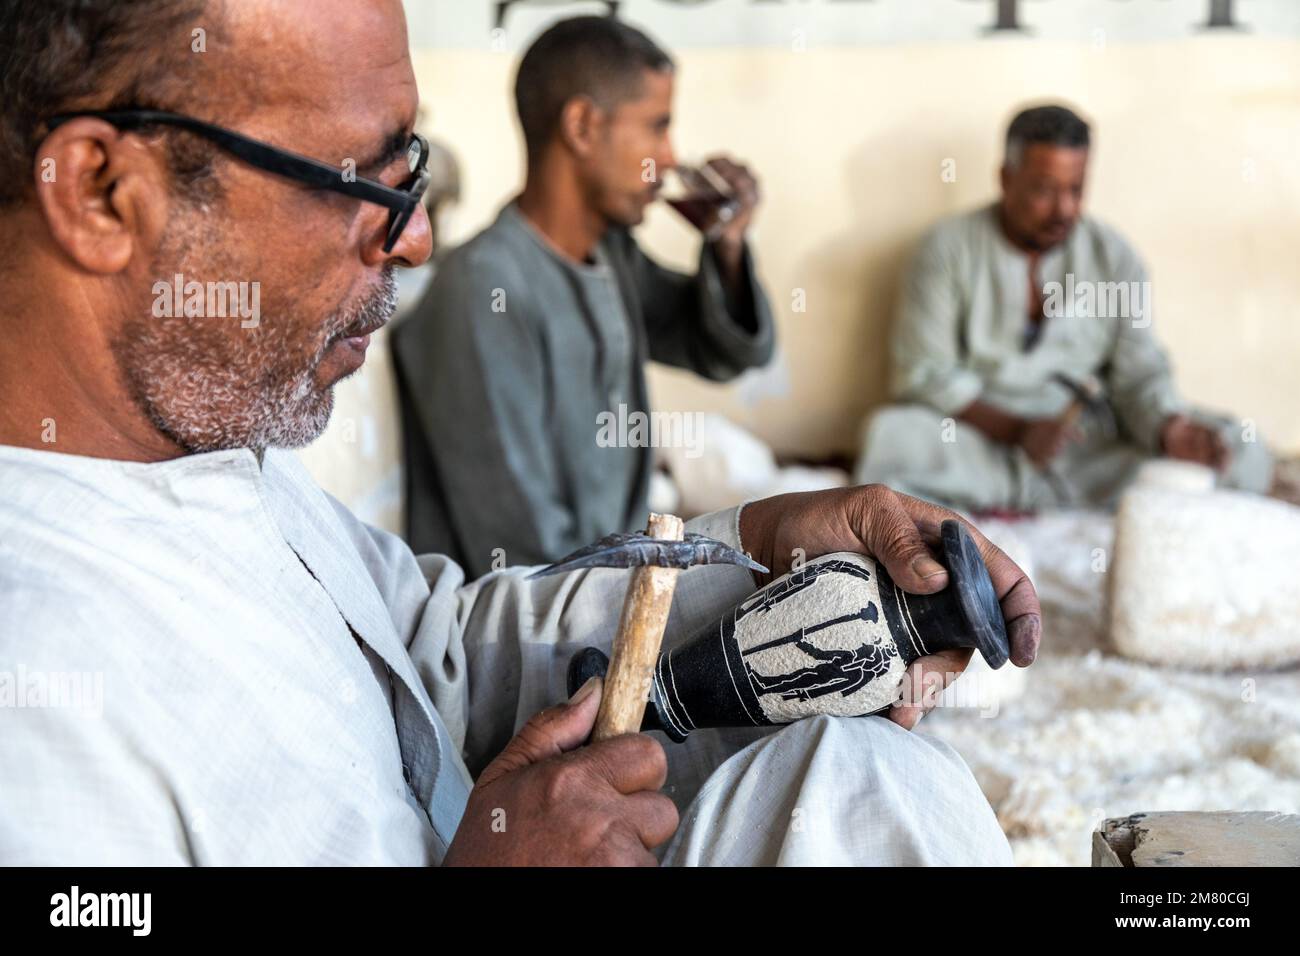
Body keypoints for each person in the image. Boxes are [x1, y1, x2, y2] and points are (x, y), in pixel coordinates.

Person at [0, 0, 1039, 866]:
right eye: (366, 177)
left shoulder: (215, 463)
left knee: (855, 787)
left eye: (410, 168)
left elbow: (435, 656)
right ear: (102, 193)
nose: (413, 236)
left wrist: (752, 545)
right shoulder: (38, 688)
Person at [392, 16, 775, 577]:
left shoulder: (612, 255)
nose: (668, 158)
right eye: (656, 127)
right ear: (582, 126)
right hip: (528, 635)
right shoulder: (485, 290)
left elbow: (724, 353)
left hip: (605, 590)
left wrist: (729, 244)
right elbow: (528, 557)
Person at [856, 104, 1277, 512]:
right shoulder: (946, 250)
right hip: (983, 441)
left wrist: (1169, 430)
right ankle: (1036, 494)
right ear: (1006, 179)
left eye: (1076, 189)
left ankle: (1032, 497)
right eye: (1044, 190)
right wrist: (1019, 431)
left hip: (1086, 449)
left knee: (1244, 450)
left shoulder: (1114, 258)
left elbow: (1139, 372)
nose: (1065, 209)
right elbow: (923, 373)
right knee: (889, 438)